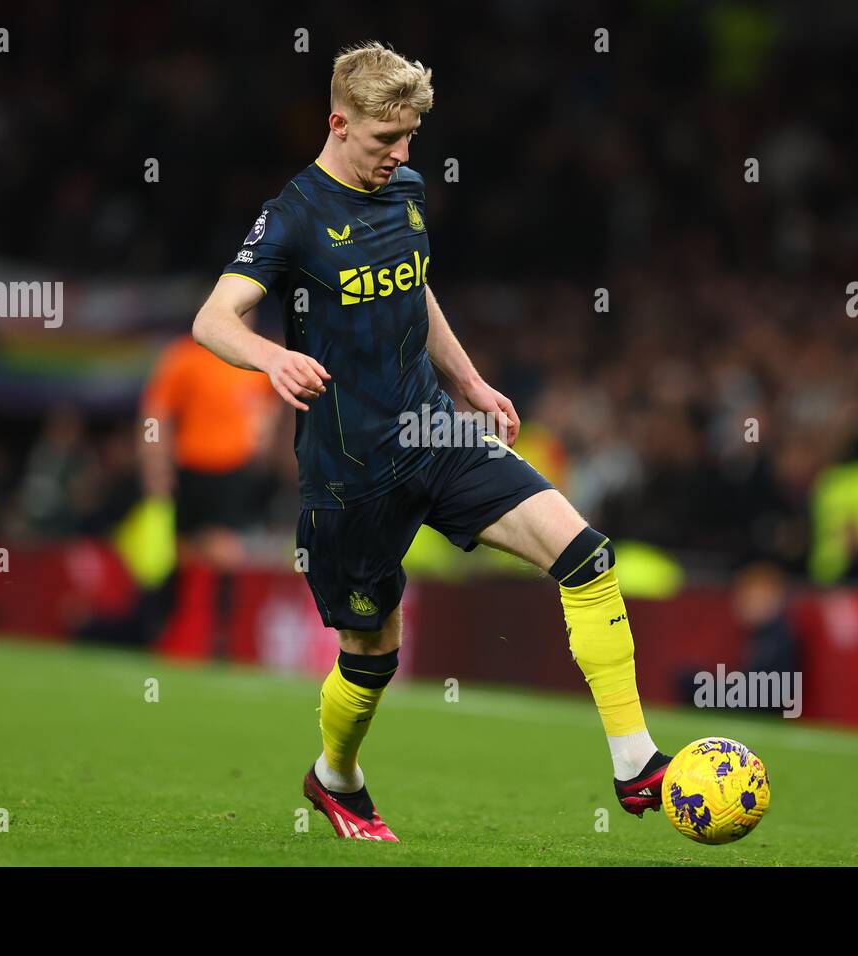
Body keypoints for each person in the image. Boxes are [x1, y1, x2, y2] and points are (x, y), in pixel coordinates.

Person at [191, 41, 670, 841]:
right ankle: (336, 775)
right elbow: (213, 318)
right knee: (370, 650)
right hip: (352, 471)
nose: (402, 155)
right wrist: (272, 357)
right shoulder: (294, 216)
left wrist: (471, 384)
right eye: (386, 139)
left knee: (585, 553)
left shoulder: (406, 188)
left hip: (435, 431)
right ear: (339, 123)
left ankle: (635, 763)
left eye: (410, 137)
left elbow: (415, 288)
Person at [141, 333, 278, 657]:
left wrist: (263, 445)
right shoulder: (184, 358)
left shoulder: (257, 360)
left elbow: (271, 411)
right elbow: (156, 413)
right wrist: (155, 464)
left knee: (225, 551)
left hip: (232, 471)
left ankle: (221, 635)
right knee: (181, 553)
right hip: (190, 468)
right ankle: (167, 629)